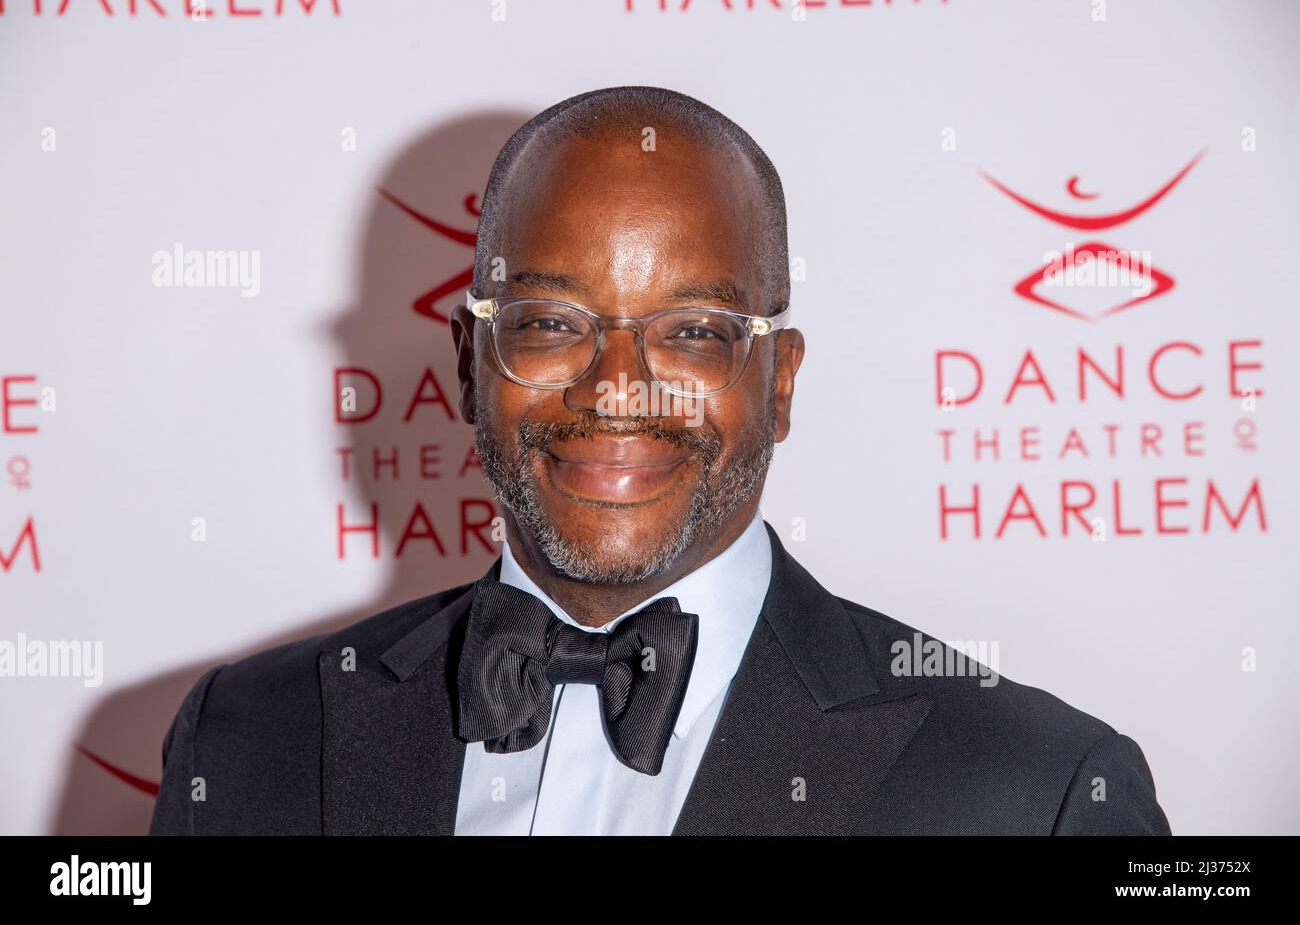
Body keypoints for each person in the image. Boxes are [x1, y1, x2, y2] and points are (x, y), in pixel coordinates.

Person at [150, 86, 1170, 835]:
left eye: (694, 330)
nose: (616, 386)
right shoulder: (246, 739)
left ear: (779, 380)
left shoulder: (1035, 789)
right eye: (550, 321)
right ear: (470, 362)